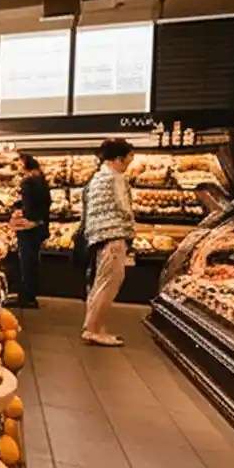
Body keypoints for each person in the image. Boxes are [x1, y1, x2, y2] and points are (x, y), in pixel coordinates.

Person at [81, 138, 136, 347]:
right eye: (129, 156)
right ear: (119, 158)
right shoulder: (115, 178)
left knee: (100, 282)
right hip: (113, 236)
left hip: (99, 236)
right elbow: (124, 209)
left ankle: (95, 326)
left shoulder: (97, 177)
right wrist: (131, 229)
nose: (131, 160)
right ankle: (93, 330)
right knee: (108, 284)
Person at [9, 154, 51, 309]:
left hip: (28, 229)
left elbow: (29, 207)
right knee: (32, 262)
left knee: (26, 262)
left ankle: (26, 297)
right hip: (40, 227)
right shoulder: (42, 181)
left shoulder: (28, 182)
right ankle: (30, 295)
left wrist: (21, 214)